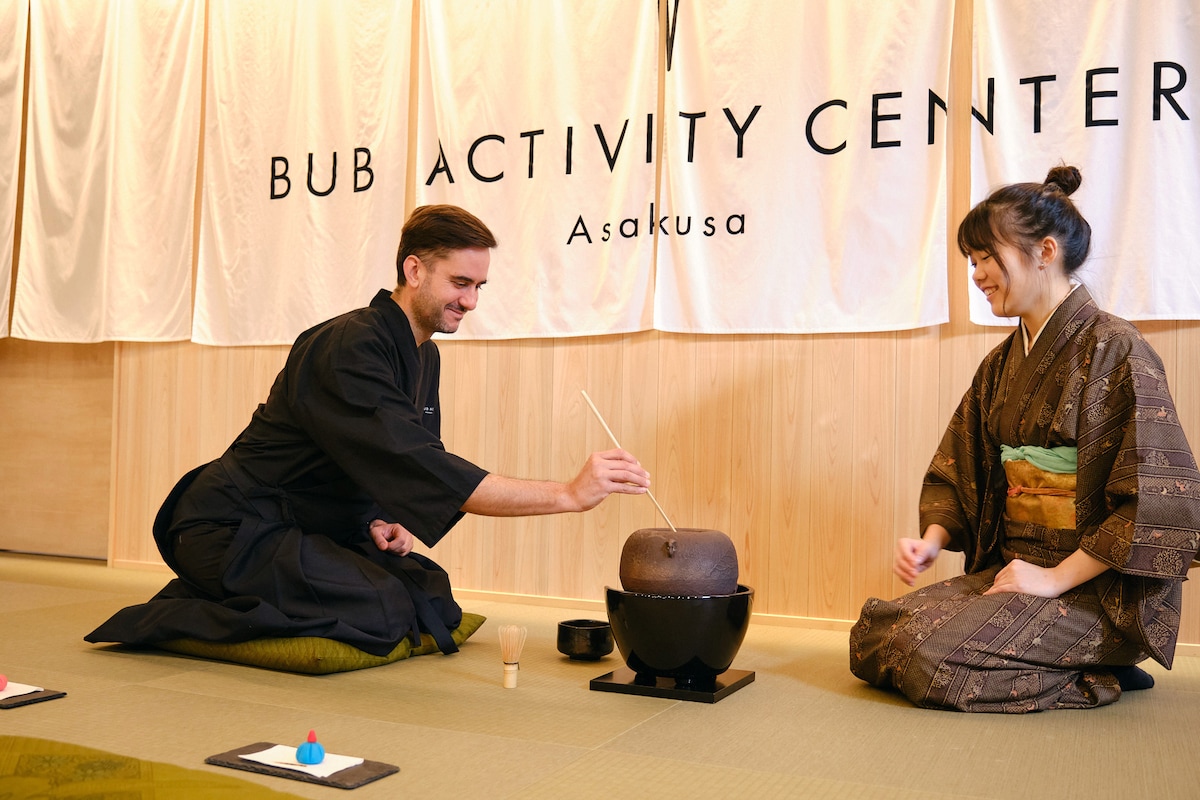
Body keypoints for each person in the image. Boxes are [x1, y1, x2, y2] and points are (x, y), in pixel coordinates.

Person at [86, 204, 650, 656]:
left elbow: (388, 459)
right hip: (230, 526)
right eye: (460, 282)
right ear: (414, 270)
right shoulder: (349, 346)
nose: (471, 301)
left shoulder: (423, 354)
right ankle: (181, 609)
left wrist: (385, 517)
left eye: (479, 286)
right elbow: (424, 467)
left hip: (306, 526)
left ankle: (255, 588)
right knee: (382, 608)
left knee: (432, 596)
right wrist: (567, 494)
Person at [849, 166, 1200, 712]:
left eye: (987, 257)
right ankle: (1068, 660)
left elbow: (1157, 500)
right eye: (972, 261)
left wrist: (1055, 578)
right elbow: (962, 463)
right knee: (876, 634)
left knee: (928, 658)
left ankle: (1099, 672)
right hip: (1016, 571)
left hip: (1095, 588)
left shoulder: (1116, 349)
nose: (978, 274)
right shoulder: (999, 365)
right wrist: (934, 540)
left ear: (1045, 252)